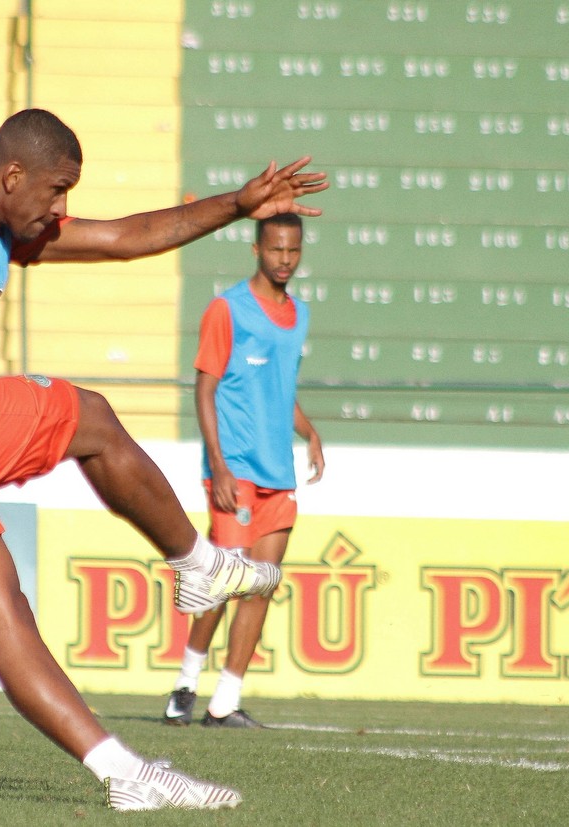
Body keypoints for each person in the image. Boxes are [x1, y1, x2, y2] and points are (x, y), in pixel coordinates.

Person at [0, 108, 327, 811]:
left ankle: (124, 773)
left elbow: (123, 238)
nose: (63, 207)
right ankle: (198, 564)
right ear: (13, 174)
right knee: (90, 414)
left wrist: (236, 205)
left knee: (5, 611)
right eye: (57, 189)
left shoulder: (4, 235)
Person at [163, 212, 325, 729]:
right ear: (257, 249)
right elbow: (205, 389)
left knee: (261, 584)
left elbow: (280, 389)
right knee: (223, 581)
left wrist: (311, 431)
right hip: (235, 471)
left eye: (293, 250)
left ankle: (224, 702)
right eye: (276, 249)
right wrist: (219, 464)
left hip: (279, 473)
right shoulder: (226, 309)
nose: (285, 259)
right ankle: (185, 685)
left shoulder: (298, 314)